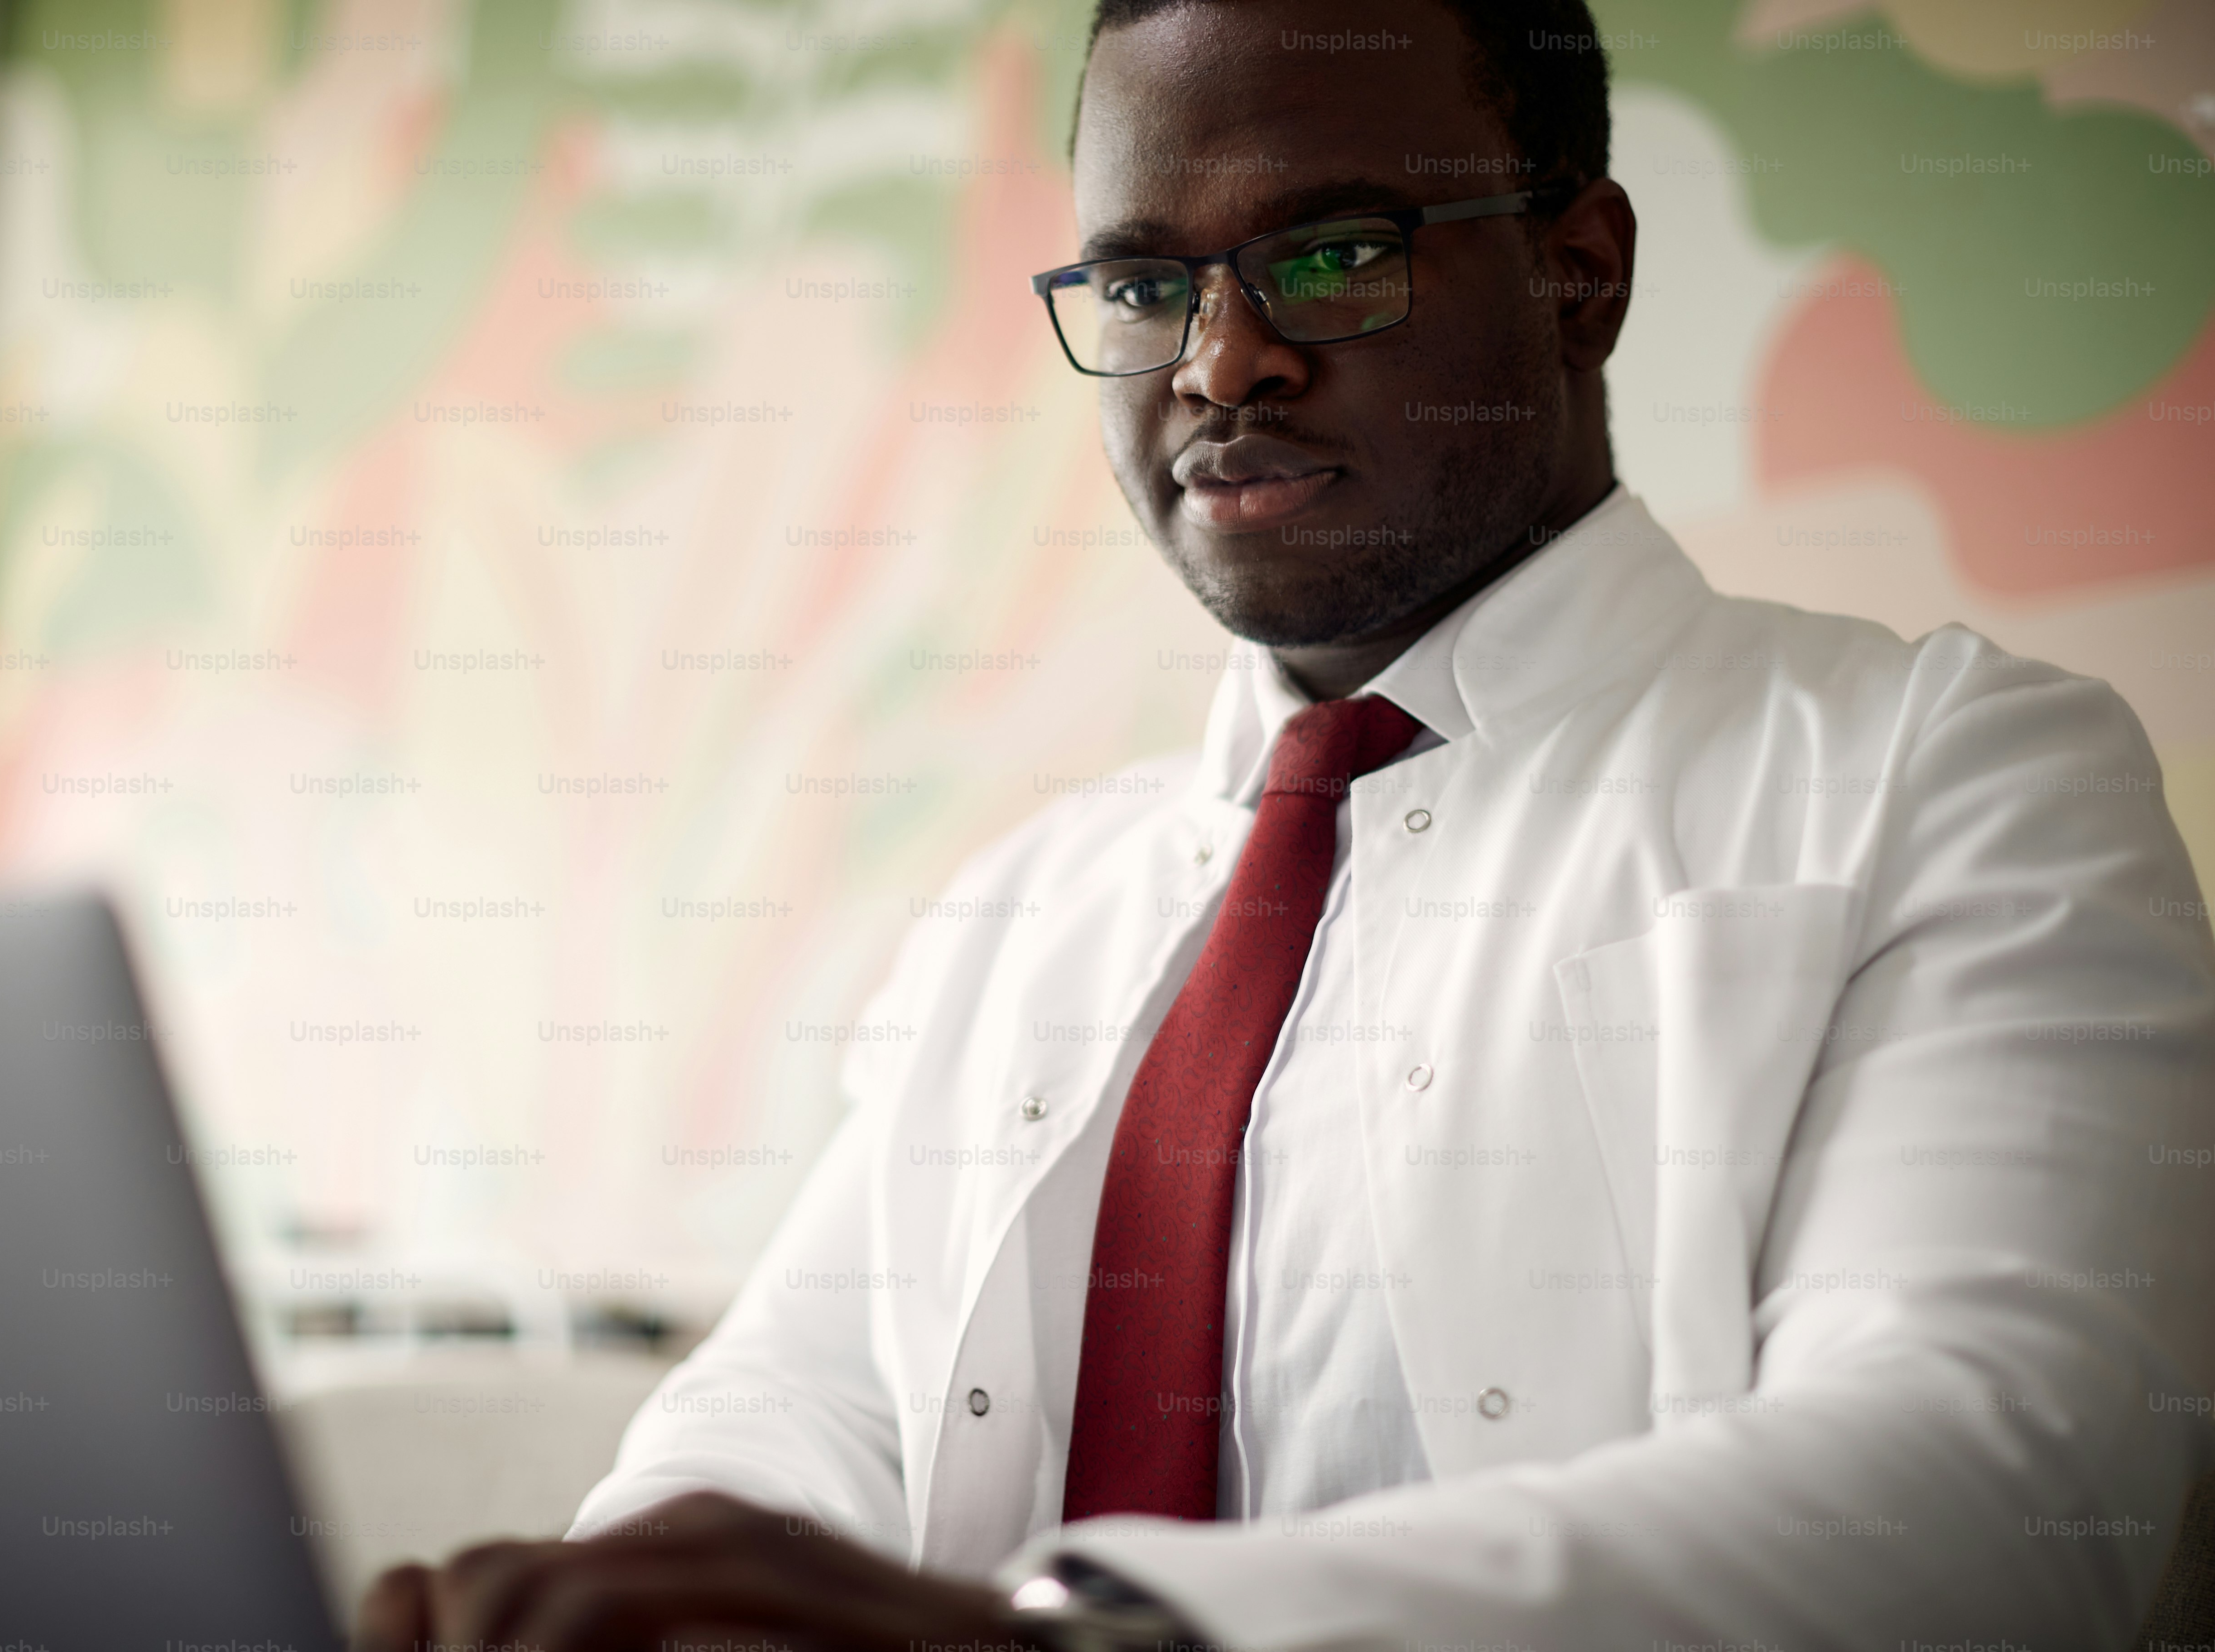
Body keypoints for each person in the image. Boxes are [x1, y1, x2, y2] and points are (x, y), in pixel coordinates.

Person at [356, 0, 2215, 1646]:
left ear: (1582, 274)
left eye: (1333, 256)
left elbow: (1992, 1488)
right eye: (1149, 283)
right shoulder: (1032, 904)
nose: (1220, 363)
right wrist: (636, 1594)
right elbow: (794, 1404)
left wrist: (1106, 1641)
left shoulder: (1949, 774)